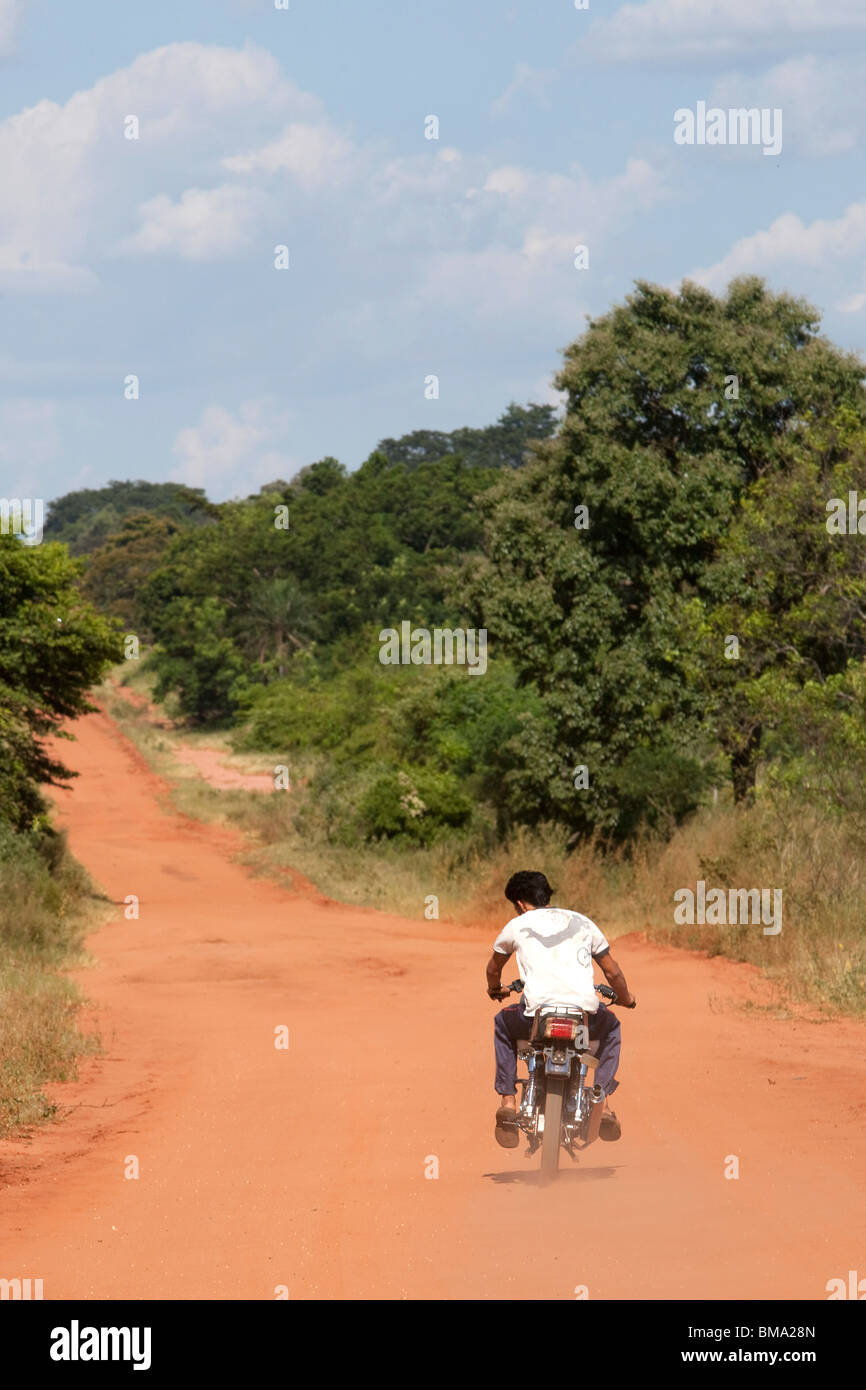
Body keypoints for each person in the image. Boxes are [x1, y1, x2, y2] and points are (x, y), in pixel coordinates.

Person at [486, 869, 636, 1149]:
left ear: (519, 904)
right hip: (583, 1017)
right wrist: (626, 998)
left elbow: (494, 967)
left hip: (537, 1016)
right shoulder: (583, 923)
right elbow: (612, 972)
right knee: (612, 1027)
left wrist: (495, 988)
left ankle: (508, 1100)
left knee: (502, 1023)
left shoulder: (517, 925)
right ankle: (601, 1103)